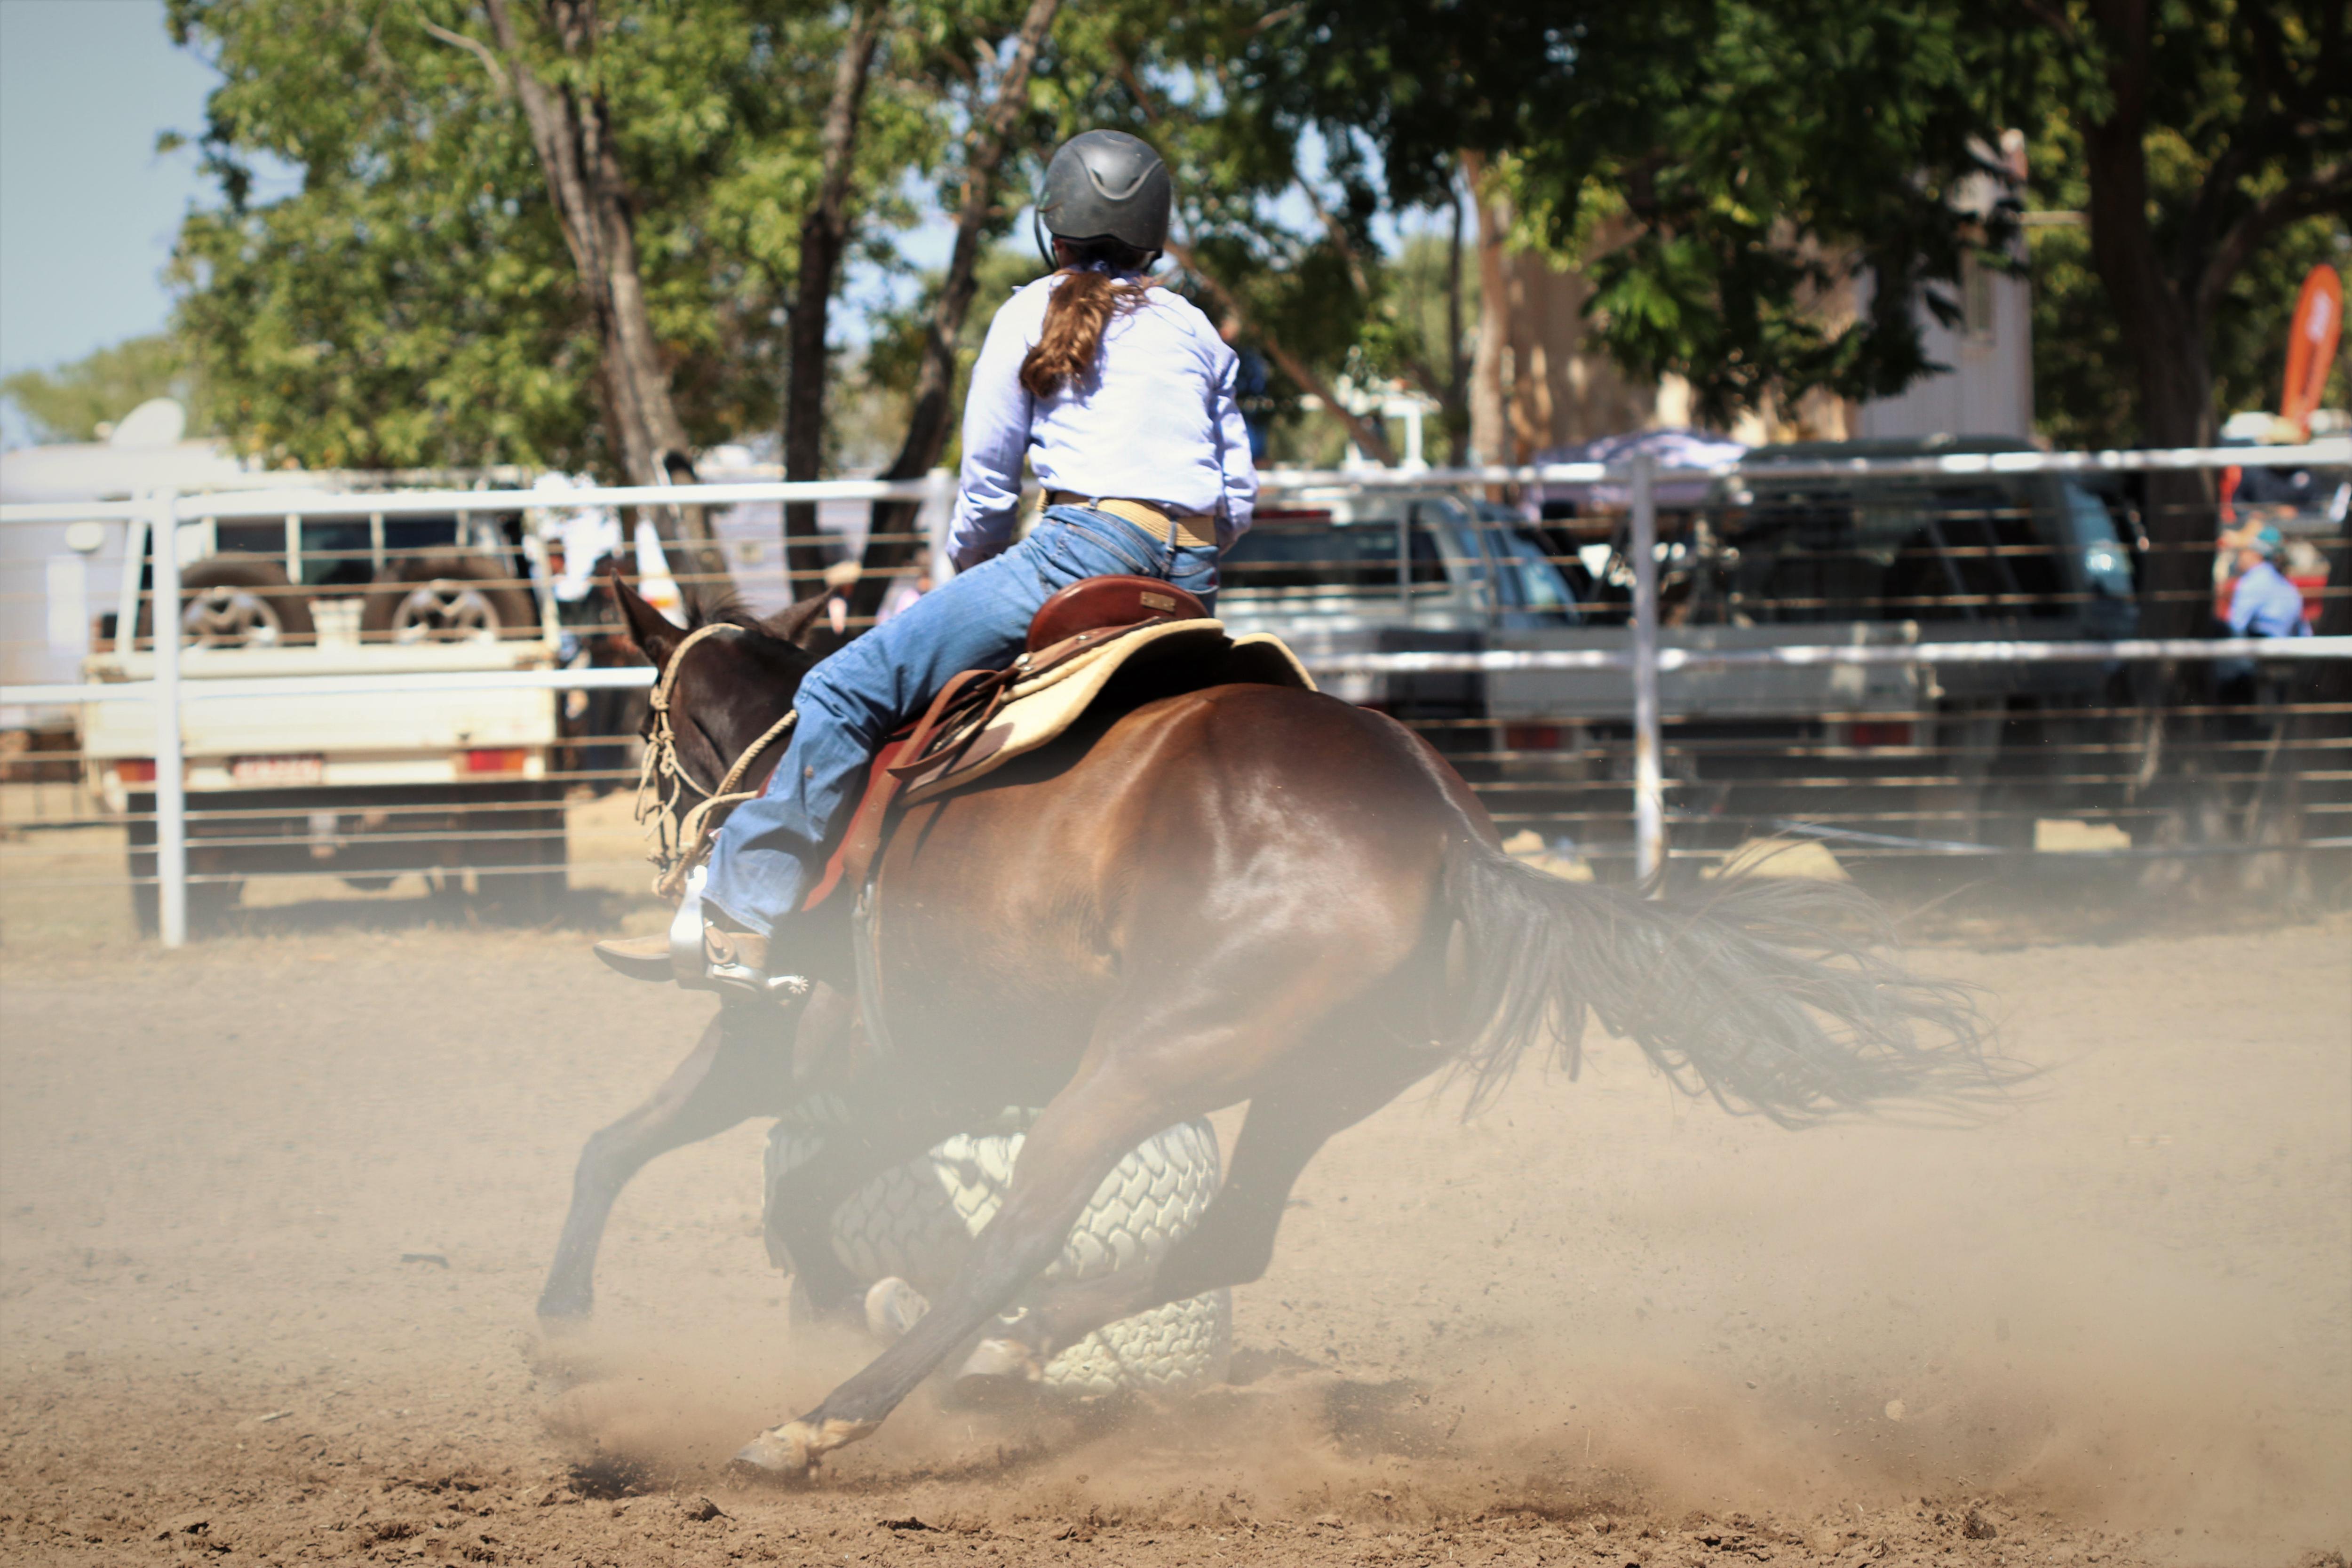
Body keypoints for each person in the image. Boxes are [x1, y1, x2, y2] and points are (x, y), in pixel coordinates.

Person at [597, 129, 1255, 995]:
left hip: (1083, 553)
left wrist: (972, 569)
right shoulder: (1197, 328)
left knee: (838, 689)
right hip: (1191, 581)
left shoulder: (1030, 313)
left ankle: (740, 918)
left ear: (1053, 229)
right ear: (1154, 235)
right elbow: (1237, 497)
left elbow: (987, 481)